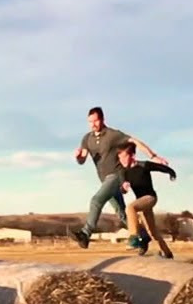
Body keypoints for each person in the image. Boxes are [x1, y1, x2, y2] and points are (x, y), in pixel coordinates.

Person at [72, 106, 168, 248]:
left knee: (96, 200)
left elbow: (134, 141)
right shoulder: (87, 139)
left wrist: (153, 156)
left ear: (102, 119)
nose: (93, 124)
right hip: (105, 180)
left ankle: (85, 233)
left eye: (96, 121)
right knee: (122, 214)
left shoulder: (113, 135)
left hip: (116, 176)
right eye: (90, 122)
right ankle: (143, 237)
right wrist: (78, 157)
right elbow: (82, 160)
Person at [116, 142, 176, 258]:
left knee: (130, 207)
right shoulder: (123, 172)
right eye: (119, 158)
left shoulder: (143, 165)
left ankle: (134, 237)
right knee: (152, 232)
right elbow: (122, 187)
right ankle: (167, 253)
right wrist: (124, 188)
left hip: (150, 198)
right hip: (142, 203)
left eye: (124, 157)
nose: (121, 160)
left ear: (132, 155)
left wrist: (171, 172)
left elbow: (160, 167)